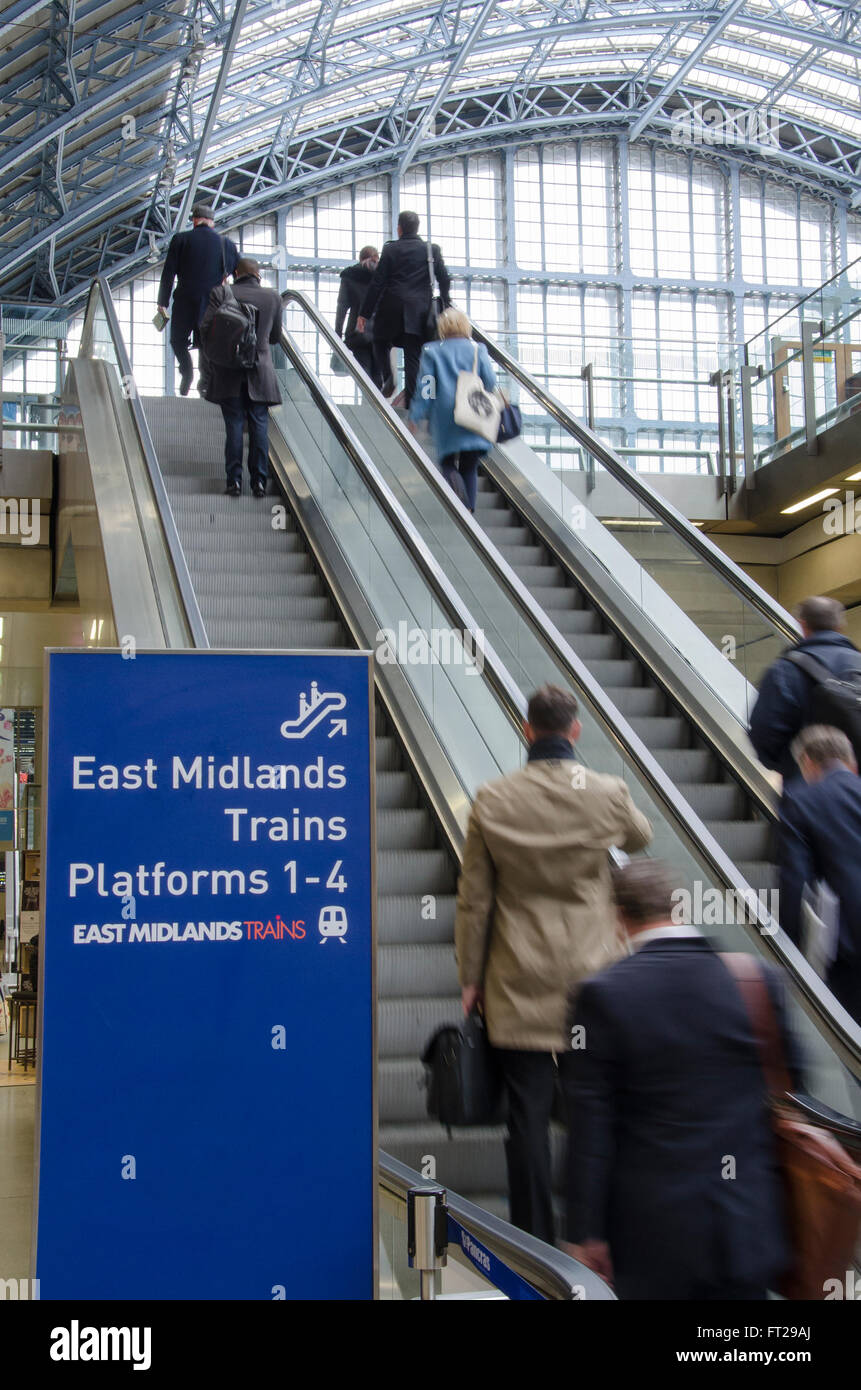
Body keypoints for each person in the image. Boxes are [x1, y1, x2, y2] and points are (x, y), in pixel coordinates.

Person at [454, 683, 652, 1244]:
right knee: (597, 1112)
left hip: (517, 980)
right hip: (595, 981)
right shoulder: (607, 792)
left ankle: (535, 1244)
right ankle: (597, 1235)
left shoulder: (493, 799)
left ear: (526, 730)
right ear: (575, 731)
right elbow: (641, 835)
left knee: (527, 1122)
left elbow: (475, 899)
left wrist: (470, 977)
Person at [562, 858, 801, 1300]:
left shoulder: (601, 996)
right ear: (681, 909)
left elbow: (589, 1132)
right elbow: (792, 1092)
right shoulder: (756, 980)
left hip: (652, 1239)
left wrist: (585, 1232)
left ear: (620, 919)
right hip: (745, 1227)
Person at [778, 725, 861, 1023]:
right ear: (850, 762)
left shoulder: (801, 799)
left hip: (849, 945)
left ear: (808, 763)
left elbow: (794, 880)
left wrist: (790, 946)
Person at [749, 595, 861, 783]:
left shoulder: (785, 670)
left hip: (811, 789)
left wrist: (794, 768)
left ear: (803, 624)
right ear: (840, 626)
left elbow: (764, 732)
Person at [200, 258, 283, 497]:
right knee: (259, 424)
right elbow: (275, 336)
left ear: (236, 273)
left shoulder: (221, 292)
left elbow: (205, 330)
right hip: (261, 369)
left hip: (229, 370)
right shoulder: (273, 297)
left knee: (234, 425)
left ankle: (234, 481)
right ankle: (259, 482)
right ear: (259, 275)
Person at [356, 210, 451, 409]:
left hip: (390, 310)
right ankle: (411, 403)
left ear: (399, 229)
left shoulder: (390, 250)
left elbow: (377, 283)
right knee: (413, 357)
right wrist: (446, 303)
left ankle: (389, 376)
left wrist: (364, 313)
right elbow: (444, 278)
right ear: (418, 228)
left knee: (380, 341)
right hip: (419, 313)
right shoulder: (430, 250)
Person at [408, 309, 497, 513]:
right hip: (473, 409)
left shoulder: (431, 350)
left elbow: (427, 387)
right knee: (470, 465)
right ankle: (469, 510)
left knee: (447, 462)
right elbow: (491, 382)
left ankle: (458, 495)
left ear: (443, 328)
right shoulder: (478, 349)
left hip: (445, 413)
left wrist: (416, 414)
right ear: (466, 327)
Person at [157, 204, 238, 396]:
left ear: (194, 220)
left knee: (177, 340)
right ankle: (205, 383)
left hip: (184, 301)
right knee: (206, 345)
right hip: (213, 304)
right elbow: (238, 272)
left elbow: (168, 273)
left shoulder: (181, 239)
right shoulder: (226, 244)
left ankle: (186, 371)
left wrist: (163, 302)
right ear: (212, 222)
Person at [335, 247, 380, 385]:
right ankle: (379, 404)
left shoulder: (350, 275)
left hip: (357, 332)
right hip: (381, 331)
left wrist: (337, 334)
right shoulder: (383, 275)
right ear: (377, 257)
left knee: (363, 372)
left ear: (360, 259)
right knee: (378, 373)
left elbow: (342, 307)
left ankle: (366, 403)